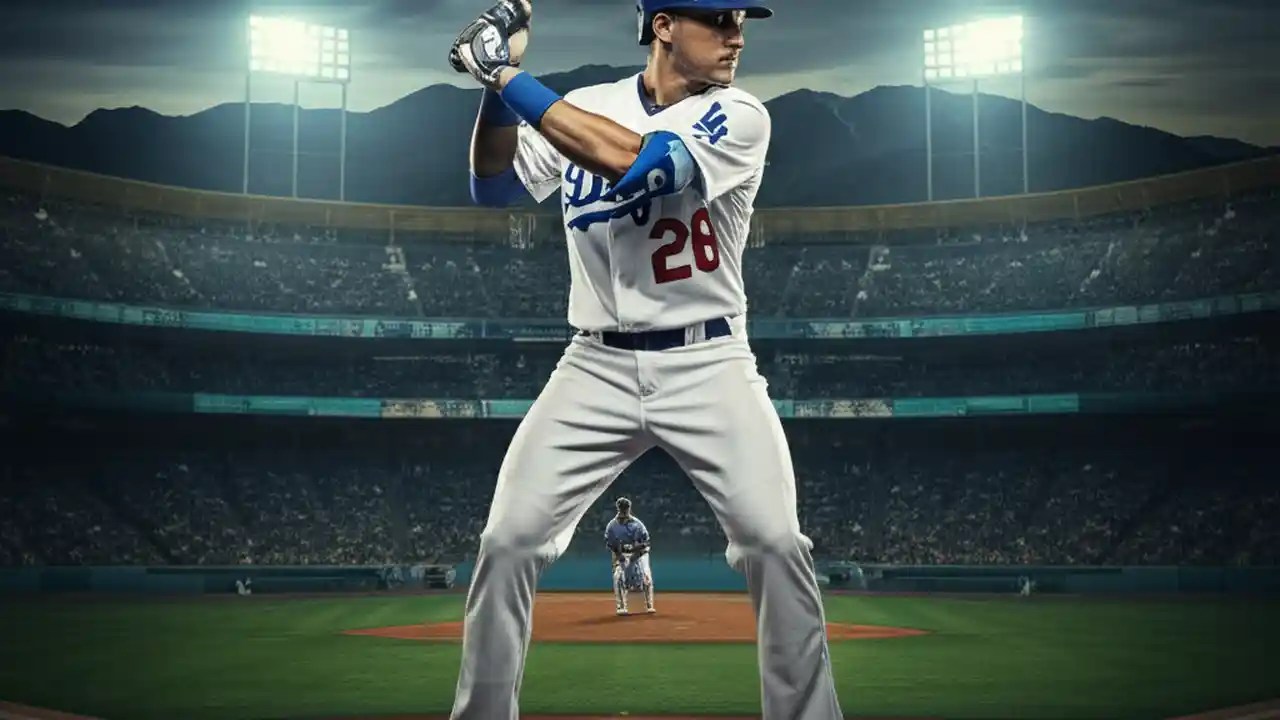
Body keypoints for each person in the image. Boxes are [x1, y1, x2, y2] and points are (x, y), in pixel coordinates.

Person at [447, 1, 843, 718]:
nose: (737, 34)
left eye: (740, 21)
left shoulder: (740, 115)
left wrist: (503, 70)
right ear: (664, 25)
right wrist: (492, 85)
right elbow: (494, 184)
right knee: (506, 541)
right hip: (591, 365)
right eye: (718, 19)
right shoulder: (585, 105)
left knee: (776, 542)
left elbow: (639, 163)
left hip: (709, 361)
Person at [604, 497, 655, 615]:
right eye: (622, 508)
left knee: (646, 577)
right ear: (618, 509)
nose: (624, 510)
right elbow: (610, 544)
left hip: (639, 554)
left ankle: (649, 604)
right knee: (618, 577)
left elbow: (646, 542)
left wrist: (635, 552)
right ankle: (621, 606)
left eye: (625, 508)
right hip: (622, 554)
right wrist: (619, 555)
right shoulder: (612, 526)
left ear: (629, 509)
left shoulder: (637, 524)